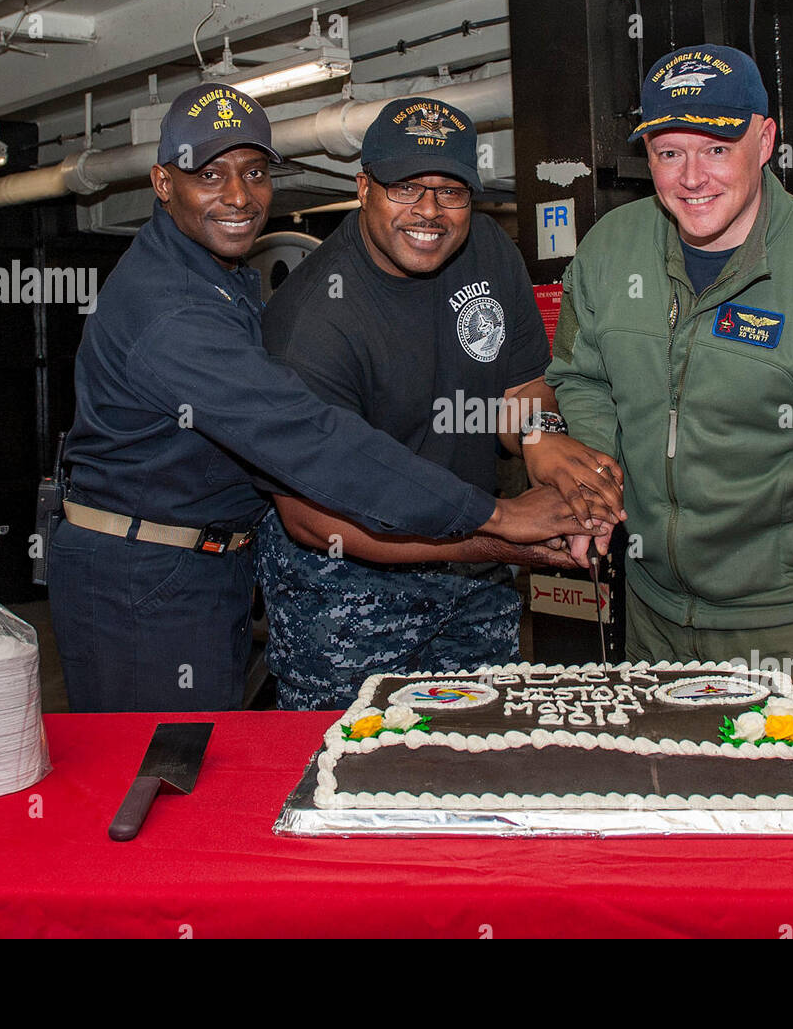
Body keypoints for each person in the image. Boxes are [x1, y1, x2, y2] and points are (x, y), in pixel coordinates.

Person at [47, 82, 616, 713]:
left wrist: (543, 437)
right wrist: (504, 522)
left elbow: (520, 387)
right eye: (209, 174)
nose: (238, 197)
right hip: (154, 574)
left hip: (206, 562)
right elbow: (314, 448)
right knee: (161, 769)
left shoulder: (210, 271)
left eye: (255, 172)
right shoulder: (189, 311)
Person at [547, 45, 793, 707]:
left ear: (764, 142)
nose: (692, 176)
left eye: (716, 149)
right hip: (651, 615)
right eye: (670, 152)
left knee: (777, 812)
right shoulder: (609, 251)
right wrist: (598, 483)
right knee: (663, 802)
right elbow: (582, 378)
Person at [256, 97, 624, 710]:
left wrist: (547, 443)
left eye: (451, 192)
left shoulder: (487, 250)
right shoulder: (312, 321)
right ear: (364, 187)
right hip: (349, 587)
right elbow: (313, 522)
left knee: (482, 755)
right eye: (406, 188)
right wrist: (508, 535)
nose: (430, 212)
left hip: (475, 575)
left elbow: (519, 386)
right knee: (352, 774)